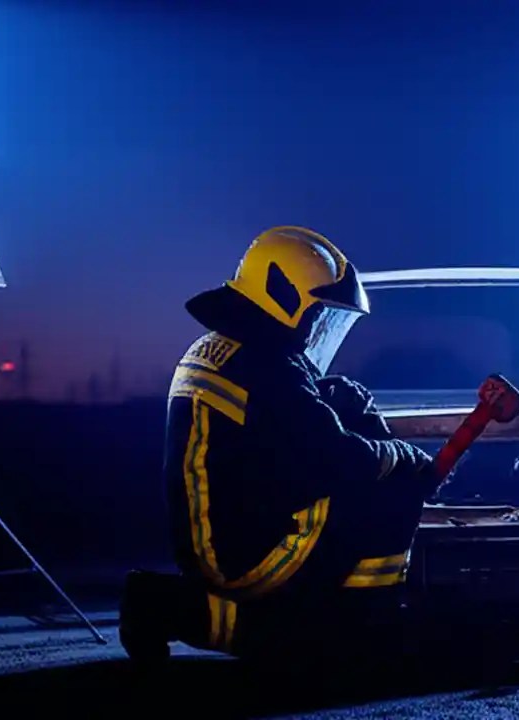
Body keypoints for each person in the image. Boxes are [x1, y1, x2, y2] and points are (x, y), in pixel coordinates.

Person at [120, 226, 440, 664]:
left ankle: (334, 620)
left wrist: (340, 397)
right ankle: (364, 625)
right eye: (316, 313)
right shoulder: (265, 363)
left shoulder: (235, 347)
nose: (316, 327)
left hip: (221, 539)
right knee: (389, 495)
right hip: (243, 557)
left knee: (370, 474)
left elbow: (279, 427)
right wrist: (411, 461)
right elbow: (338, 459)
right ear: (284, 294)